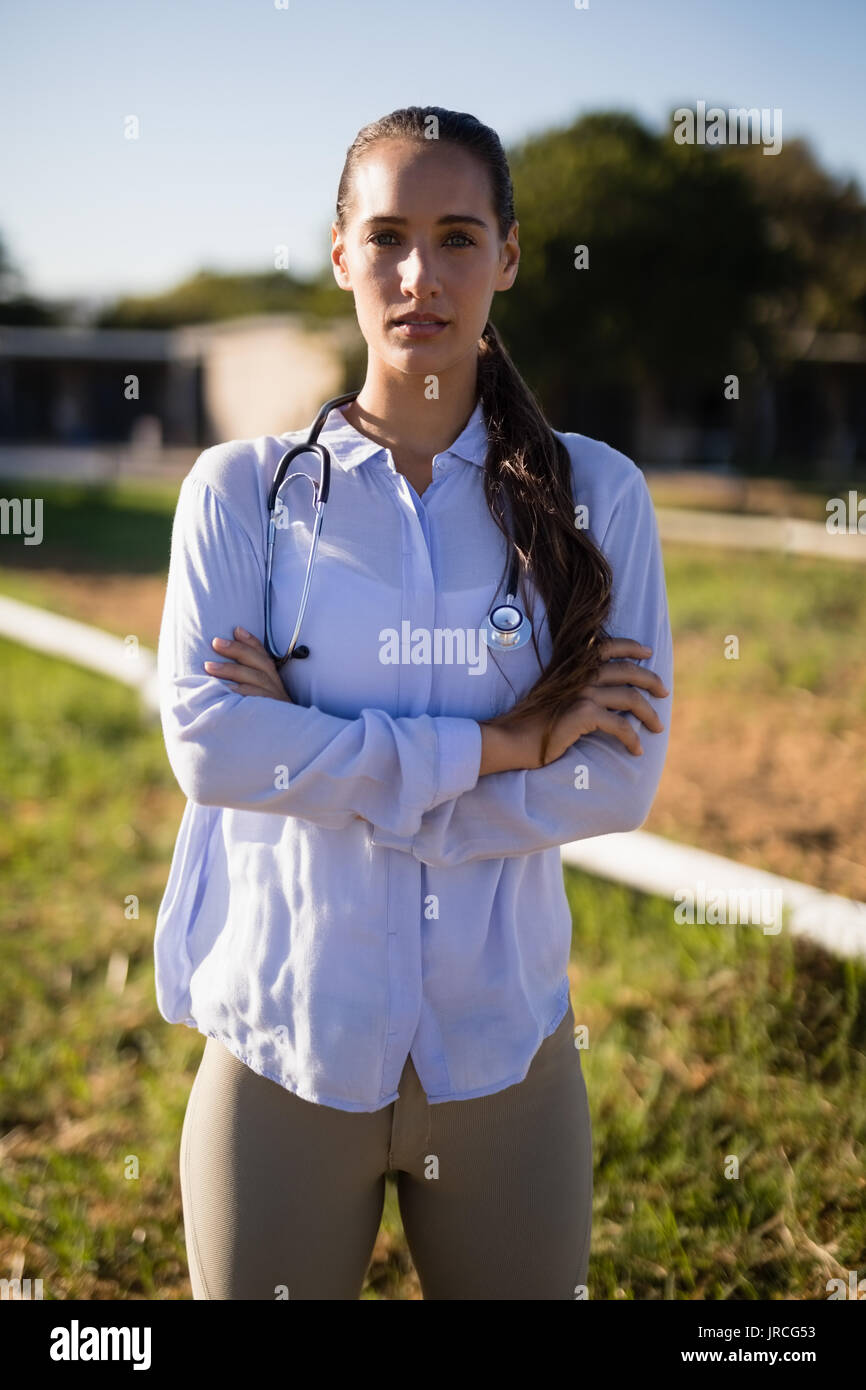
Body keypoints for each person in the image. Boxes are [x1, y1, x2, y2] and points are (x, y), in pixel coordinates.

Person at [155, 105, 673, 1301]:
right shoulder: (242, 494)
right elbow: (213, 749)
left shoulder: (596, 493)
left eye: (455, 236)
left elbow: (614, 779)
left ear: (506, 256)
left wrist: (329, 762)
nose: (416, 273)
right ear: (339, 252)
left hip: (501, 1058)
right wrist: (505, 745)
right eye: (385, 235)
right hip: (284, 1050)